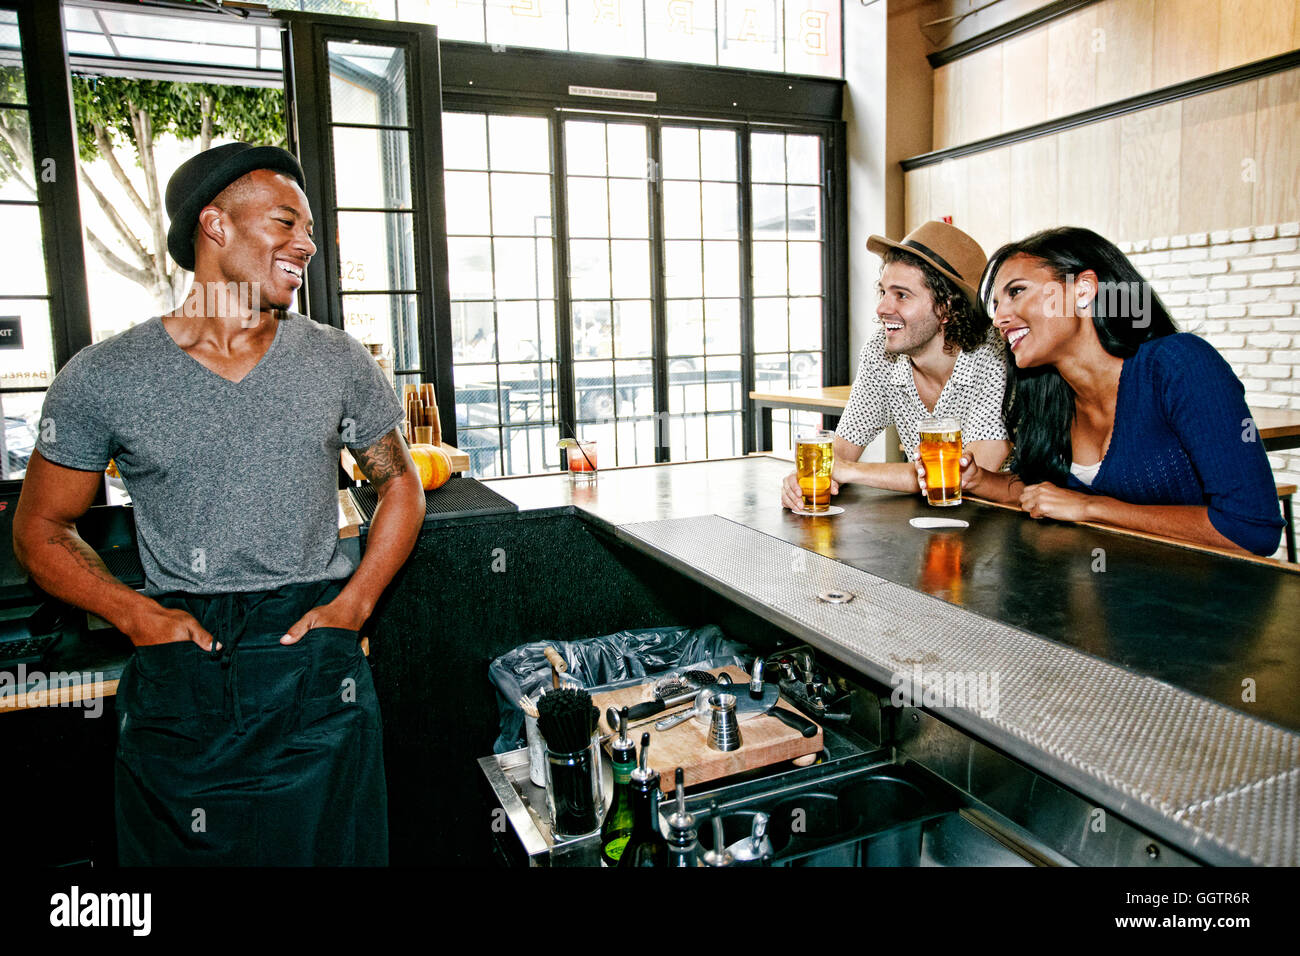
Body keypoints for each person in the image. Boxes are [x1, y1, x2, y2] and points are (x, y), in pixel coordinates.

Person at [12, 142, 427, 864]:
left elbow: (400, 484)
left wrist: (353, 607)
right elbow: (40, 528)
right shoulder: (104, 376)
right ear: (216, 225)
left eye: (308, 232)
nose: (306, 246)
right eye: (285, 223)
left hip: (311, 660)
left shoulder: (336, 360)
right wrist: (137, 614)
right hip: (184, 670)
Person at [920, 226, 1284, 556]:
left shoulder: (1177, 364)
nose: (999, 318)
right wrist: (979, 480)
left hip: (1199, 613)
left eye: (1017, 292)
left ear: (1084, 289)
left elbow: (1252, 528)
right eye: (996, 304)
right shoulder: (1050, 394)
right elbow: (1043, 495)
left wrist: (1092, 508)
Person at [781, 220, 1011, 510]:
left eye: (901, 295)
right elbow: (842, 450)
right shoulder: (881, 351)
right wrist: (804, 478)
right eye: (883, 292)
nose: (882, 308)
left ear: (947, 308)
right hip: (926, 525)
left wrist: (848, 471)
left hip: (1007, 525)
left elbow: (966, 473)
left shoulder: (995, 354)